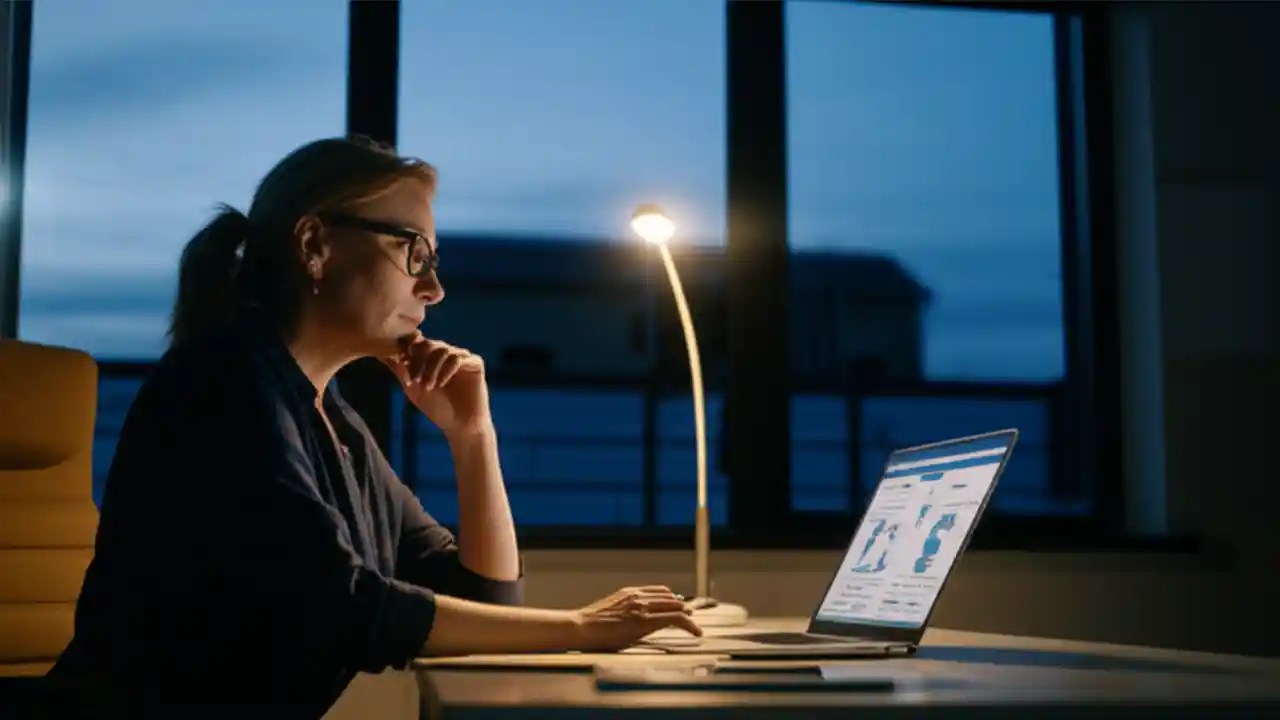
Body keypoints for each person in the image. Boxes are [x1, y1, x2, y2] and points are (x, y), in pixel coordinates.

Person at [48, 135, 701, 716]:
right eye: (414, 253)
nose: (434, 288)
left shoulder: (332, 422)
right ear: (314, 245)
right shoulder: (221, 386)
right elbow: (343, 608)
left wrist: (473, 438)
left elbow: (486, 604)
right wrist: (582, 628)